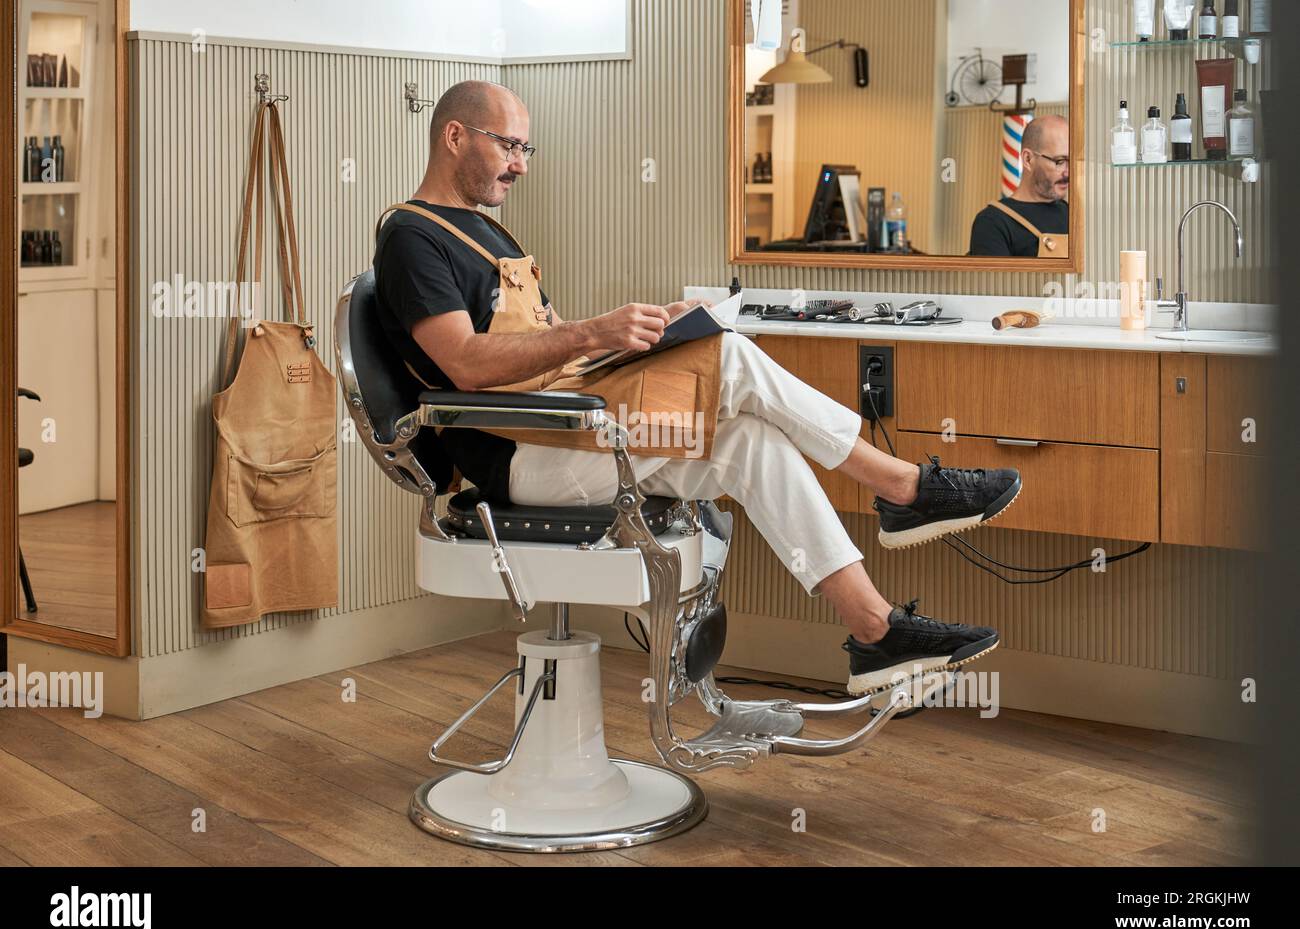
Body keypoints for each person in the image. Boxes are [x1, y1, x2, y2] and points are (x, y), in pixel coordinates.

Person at [374, 80, 1023, 697]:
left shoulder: (486, 229)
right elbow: (463, 365)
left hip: (571, 423)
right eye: (508, 145)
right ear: (455, 136)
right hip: (519, 457)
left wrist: (645, 330)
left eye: (525, 148)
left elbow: (536, 347)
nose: (520, 165)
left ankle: (875, 631)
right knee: (733, 356)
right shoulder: (412, 237)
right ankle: (901, 487)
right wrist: (591, 333)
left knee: (751, 438)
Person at [968, 114, 1070, 257]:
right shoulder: (993, 222)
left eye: (1072, 161)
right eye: (1059, 161)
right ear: (1028, 159)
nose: (1068, 172)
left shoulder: (1074, 215)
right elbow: (993, 280)